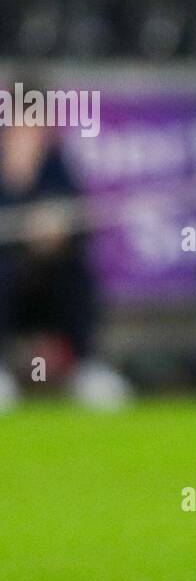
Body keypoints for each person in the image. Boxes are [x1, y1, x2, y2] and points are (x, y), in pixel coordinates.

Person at [0, 118, 131, 410]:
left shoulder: (57, 166)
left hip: (50, 277)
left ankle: (85, 367)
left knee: (77, 275)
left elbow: (78, 217)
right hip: (9, 279)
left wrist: (55, 228)